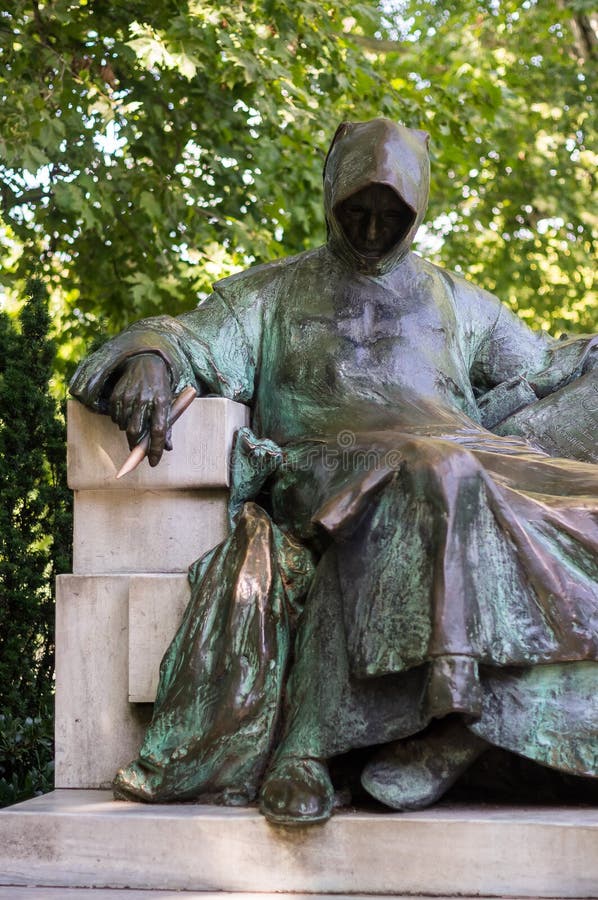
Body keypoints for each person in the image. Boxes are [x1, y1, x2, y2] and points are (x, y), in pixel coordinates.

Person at [71, 118, 598, 826]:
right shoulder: (268, 295)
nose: (375, 228)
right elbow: (182, 336)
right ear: (329, 194)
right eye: (359, 209)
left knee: (476, 473)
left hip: (461, 459)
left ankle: (469, 732)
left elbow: (543, 366)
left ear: (420, 211)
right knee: (440, 468)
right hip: (328, 467)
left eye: (394, 214)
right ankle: (416, 720)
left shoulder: (457, 300)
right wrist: (149, 359)